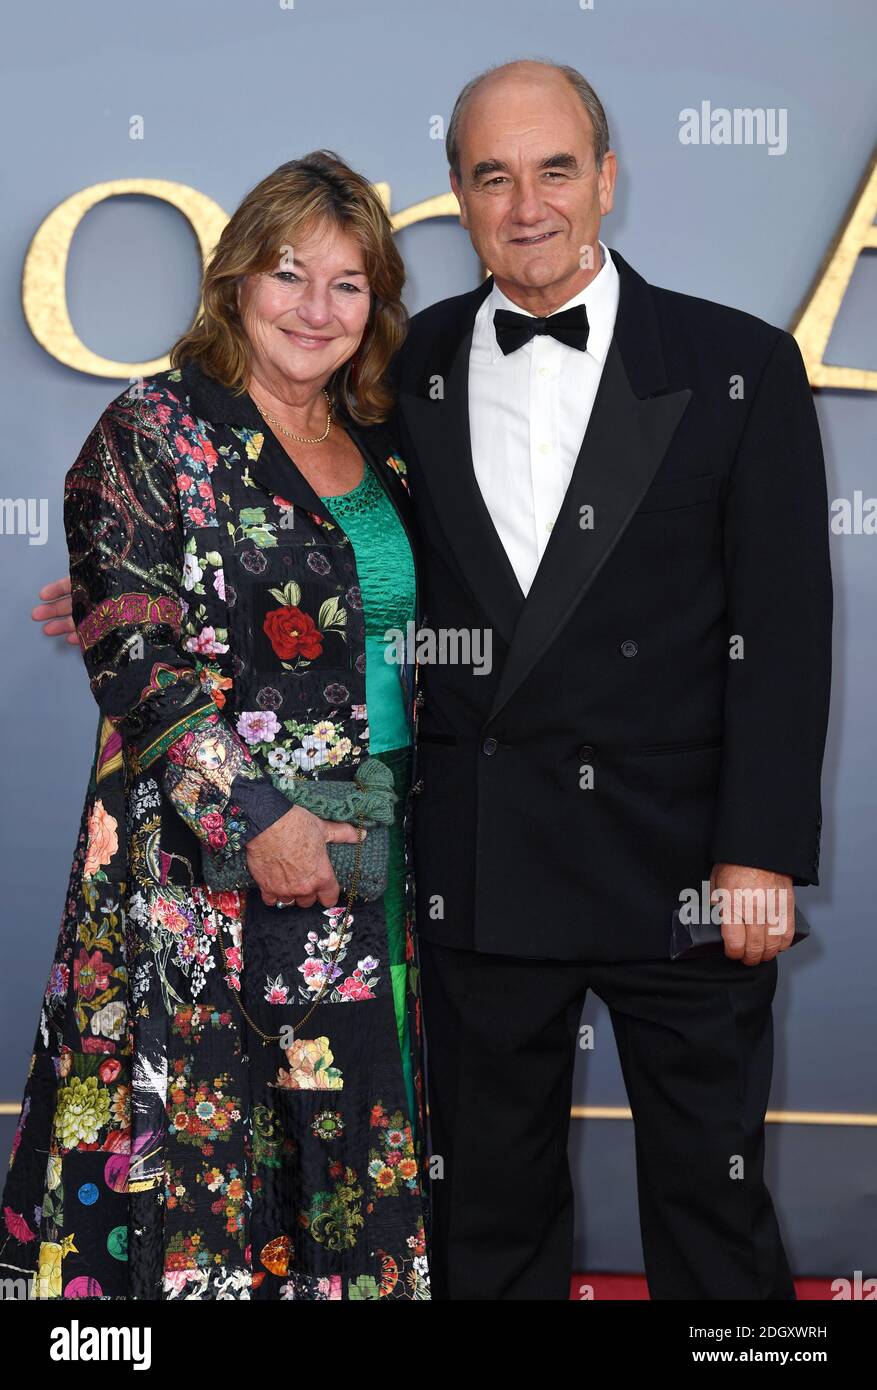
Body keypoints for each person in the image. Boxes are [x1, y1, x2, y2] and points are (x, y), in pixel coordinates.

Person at [28, 58, 834, 1303]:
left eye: (554, 169)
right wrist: (122, 598)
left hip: (680, 868)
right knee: (476, 1213)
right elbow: (277, 542)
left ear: (606, 180)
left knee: (711, 1207)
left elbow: (782, 630)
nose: (526, 205)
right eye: (491, 176)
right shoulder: (406, 372)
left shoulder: (737, 365)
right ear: (457, 195)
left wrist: (761, 851)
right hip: (462, 859)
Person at [2, 151, 430, 1301]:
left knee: (348, 1150)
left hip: (370, 849)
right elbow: (138, 655)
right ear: (238, 277)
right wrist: (258, 819)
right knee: (200, 1157)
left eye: (349, 285)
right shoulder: (151, 428)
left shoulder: (386, 442)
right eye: (291, 275)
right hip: (202, 872)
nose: (316, 309)